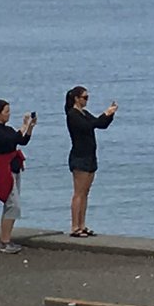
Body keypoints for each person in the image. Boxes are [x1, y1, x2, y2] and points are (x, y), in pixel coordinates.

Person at [64, 85, 117, 237]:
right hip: (79, 156)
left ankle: (82, 224)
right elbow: (88, 126)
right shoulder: (73, 115)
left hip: (90, 155)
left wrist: (110, 114)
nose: (87, 100)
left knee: (85, 192)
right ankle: (74, 226)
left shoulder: (84, 113)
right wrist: (105, 113)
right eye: (85, 98)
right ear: (76, 98)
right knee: (78, 192)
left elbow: (100, 124)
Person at [0, 98, 35, 254]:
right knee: (13, 204)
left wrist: (30, 127)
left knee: (10, 205)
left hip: (13, 167)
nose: (8, 114)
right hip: (4, 169)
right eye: (6, 112)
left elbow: (21, 140)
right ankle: (5, 241)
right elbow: (10, 141)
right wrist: (24, 125)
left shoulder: (7, 129)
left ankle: (6, 239)